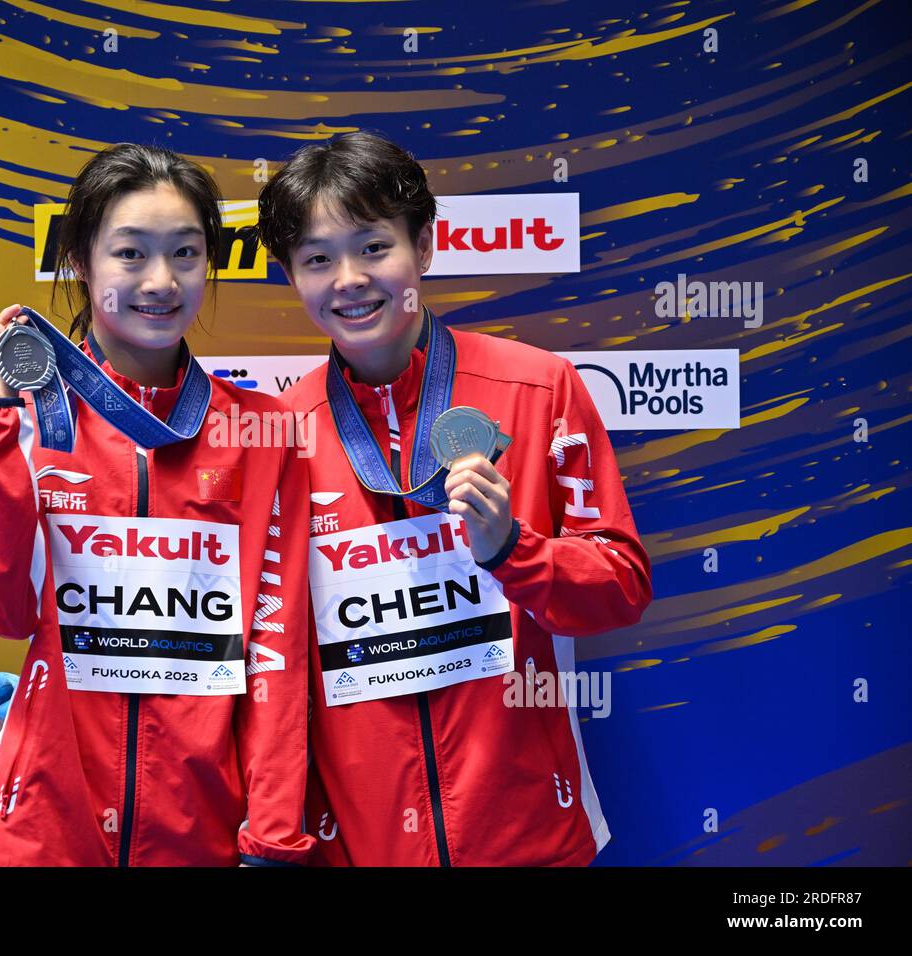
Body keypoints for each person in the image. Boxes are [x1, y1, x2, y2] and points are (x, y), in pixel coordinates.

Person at [256, 131, 653, 866]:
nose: (349, 279)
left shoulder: (540, 390)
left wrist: (513, 548)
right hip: (361, 848)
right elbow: (272, 667)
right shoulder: (278, 437)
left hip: (529, 838)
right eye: (317, 259)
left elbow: (621, 589)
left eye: (374, 247)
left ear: (426, 248)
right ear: (290, 277)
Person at [0, 143, 314, 866]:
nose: (161, 280)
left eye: (185, 253)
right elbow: (2, 610)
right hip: (38, 832)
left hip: (200, 833)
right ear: (80, 260)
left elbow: (276, 650)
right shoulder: (23, 417)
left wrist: (272, 839)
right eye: (130, 254)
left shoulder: (261, 433)